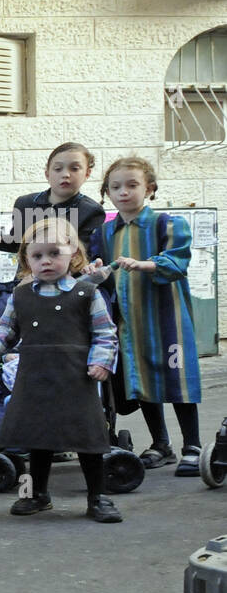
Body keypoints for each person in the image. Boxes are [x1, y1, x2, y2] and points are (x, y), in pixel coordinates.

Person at [0, 218, 121, 522]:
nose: (46, 261)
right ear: (27, 259)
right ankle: (35, 495)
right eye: (37, 255)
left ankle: (98, 497)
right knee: (37, 439)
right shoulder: (21, 295)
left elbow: (105, 333)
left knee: (88, 439)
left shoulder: (86, 293)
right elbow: (6, 330)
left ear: (74, 255)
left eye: (55, 253)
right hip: (35, 378)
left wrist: (101, 361)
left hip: (76, 379)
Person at [87, 156, 201, 476]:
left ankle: (192, 446)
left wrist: (145, 264)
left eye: (132, 185)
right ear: (107, 192)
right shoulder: (105, 232)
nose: (124, 192)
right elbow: (102, 272)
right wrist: (94, 270)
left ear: (149, 189)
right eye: (115, 187)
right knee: (142, 378)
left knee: (178, 380)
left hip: (168, 319)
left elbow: (178, 261)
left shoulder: (168, 224)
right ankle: (160, 444)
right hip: (129, 321)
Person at [0, 141, 105, 256]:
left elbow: (82, 254)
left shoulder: (92, 211)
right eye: (58, 169)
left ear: (87, 173)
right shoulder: (25, 203)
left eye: (74, 169)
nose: (66, 174)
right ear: (47, 174)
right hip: (27, 278)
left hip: (67, 279)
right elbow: (18, 242)